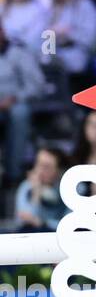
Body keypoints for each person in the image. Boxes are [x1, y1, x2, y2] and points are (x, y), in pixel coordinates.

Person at [0, 22, 44, 184]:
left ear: (2, 31)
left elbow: (37, 84)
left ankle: (14, 173)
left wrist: (15, 97)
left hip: (15, 102)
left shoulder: (18, 52)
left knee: (20, 112)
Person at [15, 147, 66, 232]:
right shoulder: (26, 186)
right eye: (38, 164)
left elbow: (68, 223)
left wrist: (43, 223)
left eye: (46, 167)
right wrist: (36, 193)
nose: (40, 170)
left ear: (58, 170)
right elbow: (23, 219)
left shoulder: (65, 189)